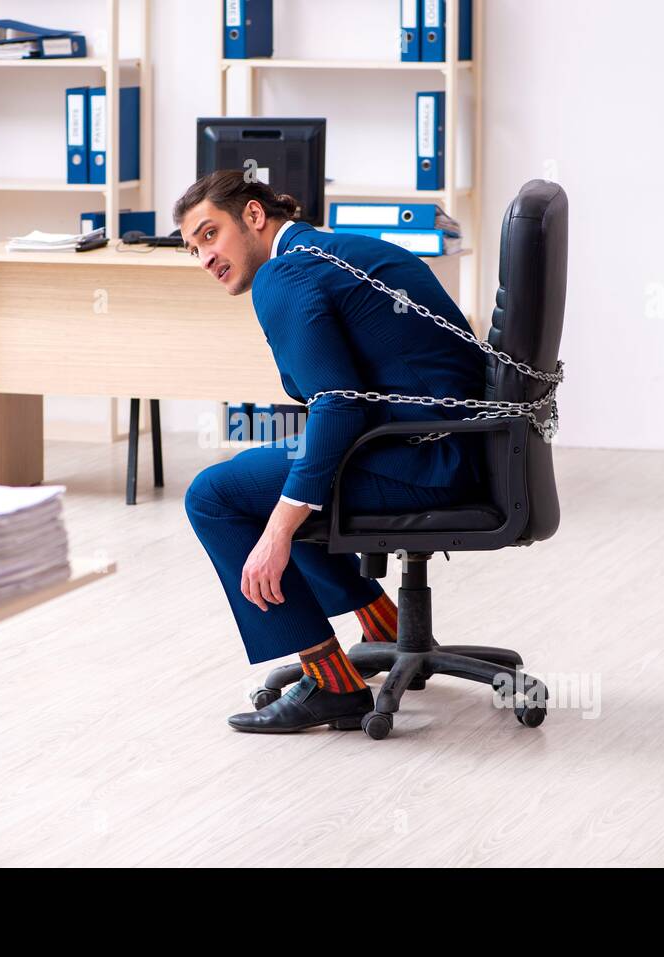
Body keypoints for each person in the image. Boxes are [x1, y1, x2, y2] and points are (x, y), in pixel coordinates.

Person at [174, 169, 487, 733]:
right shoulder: (339, 249)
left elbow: (338, 405)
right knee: (259, 473)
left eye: (209, 235)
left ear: (252, 215)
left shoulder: (284, 275)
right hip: (460, 447)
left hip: (423, 459)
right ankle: (382, 624)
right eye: (193, 249)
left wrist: (279, 528)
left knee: (215, 496)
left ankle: (332, 682)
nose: (205, 258)